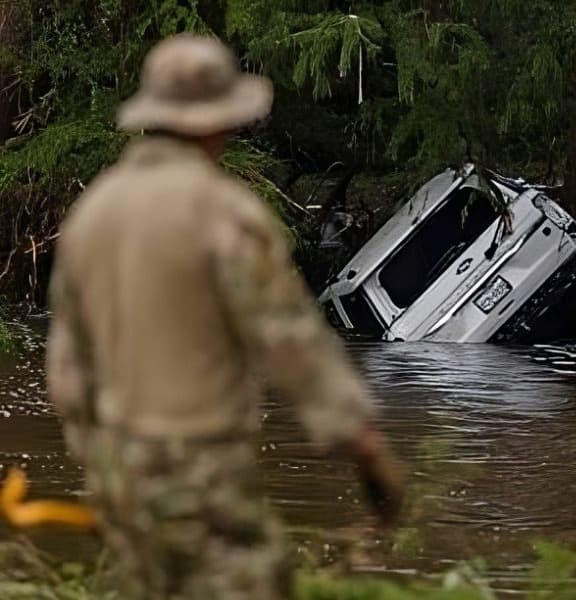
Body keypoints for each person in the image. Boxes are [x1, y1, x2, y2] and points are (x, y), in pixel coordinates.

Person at [44, 34, 403, 599]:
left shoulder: (94, 212)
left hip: (115, 467)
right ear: (217, 122)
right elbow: (289, 340)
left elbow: (66, 365)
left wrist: (99, 456)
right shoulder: (223, 212)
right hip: (200, 465)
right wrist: (359, 438)